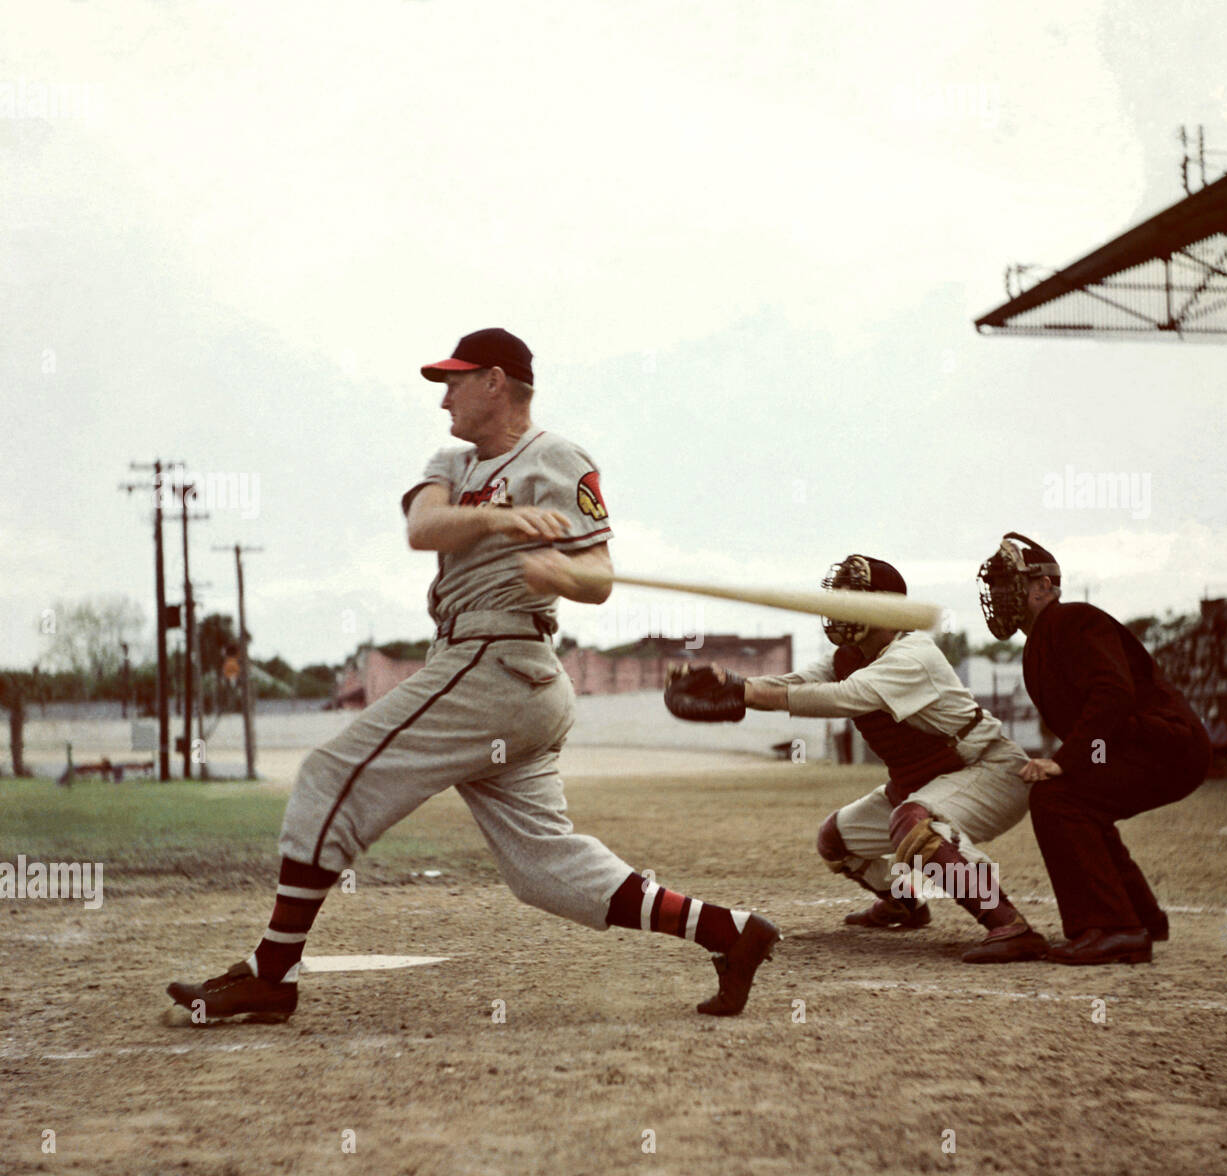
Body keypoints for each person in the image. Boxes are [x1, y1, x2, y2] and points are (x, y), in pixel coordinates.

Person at [167, 328, 779, 1022]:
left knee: (329, 776)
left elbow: (600, 580)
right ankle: (728, 931)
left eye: (454, 382)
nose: (444, 398)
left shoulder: (559, 457)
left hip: (501, 660)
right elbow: (424, 528)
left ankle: (271, 974)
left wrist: (562, 571)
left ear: (496, 381)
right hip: (487, 674)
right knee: (543, 868)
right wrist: (504, 521)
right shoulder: (451, 463)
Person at [665, 554, 1049, 963]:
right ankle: (905, 904)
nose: (839, 607)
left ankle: (1010, 925)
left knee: (914, 824)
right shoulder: (847, 656)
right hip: (924, 783)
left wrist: (745, 692)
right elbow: (794, 684)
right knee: (836, 839)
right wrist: (729, 682)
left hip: (988, 771)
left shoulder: (913, 653)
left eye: (854, 598)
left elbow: (844, 697)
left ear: (888, 609)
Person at [976, 532, 1211, 964]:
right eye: (994, 587)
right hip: (1146, 744)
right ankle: (1140, 916)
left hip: (1166, 744)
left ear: (1044, 587)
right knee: (1080, 801)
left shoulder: (1073, 619)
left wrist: (1064, 762)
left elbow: (1112, 694)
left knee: (1058, 797)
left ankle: (1115, 928)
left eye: (1009, 584)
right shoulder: (1037, 648)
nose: (998, 594)